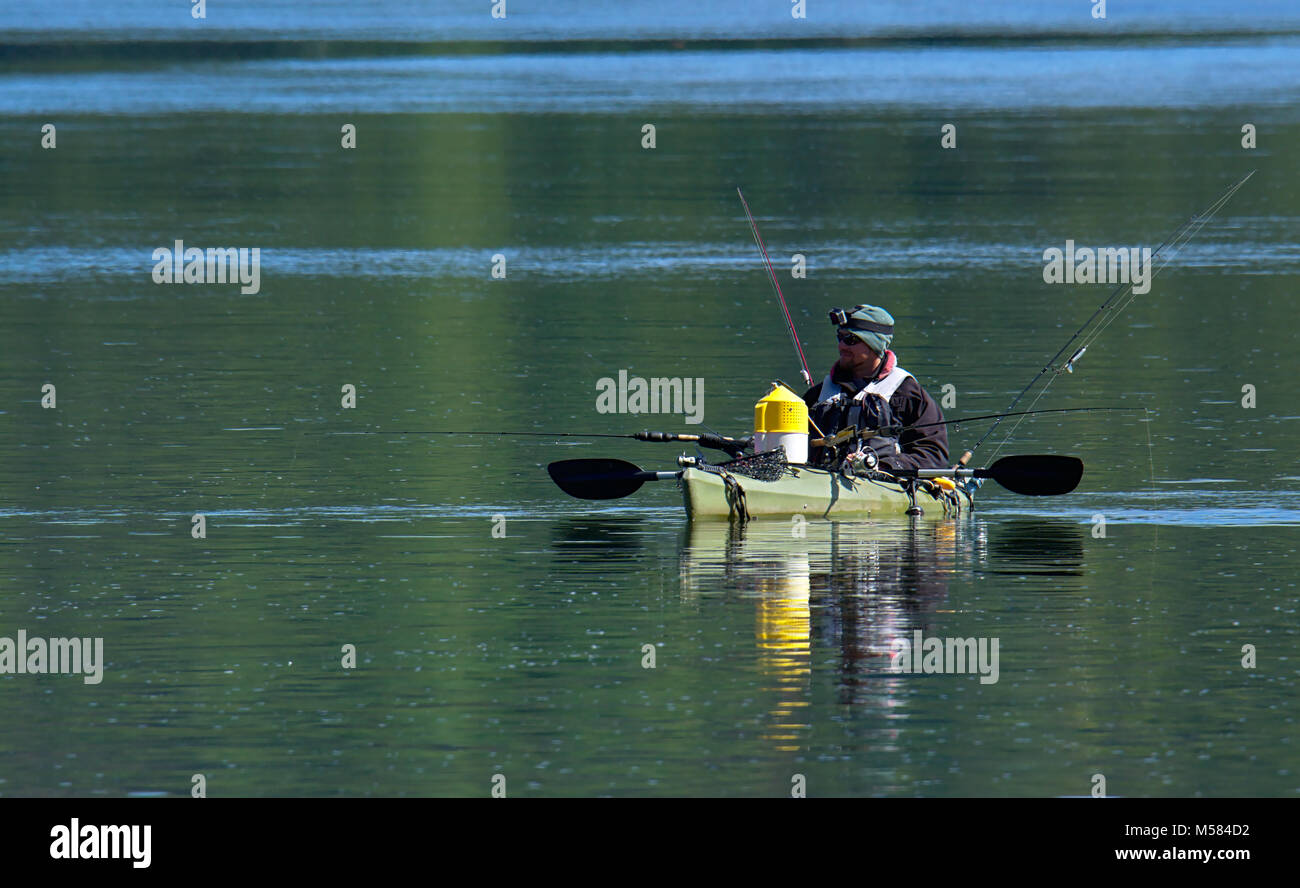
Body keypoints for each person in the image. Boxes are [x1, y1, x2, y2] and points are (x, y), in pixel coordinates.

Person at [801, 304, 948, 471]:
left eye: (851, 340)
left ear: (874, 345)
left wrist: (880, 465)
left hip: (883, 485)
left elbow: (933, 456)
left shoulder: (907, 393)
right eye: (839, 337)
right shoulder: (817, 395)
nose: (842, 346)